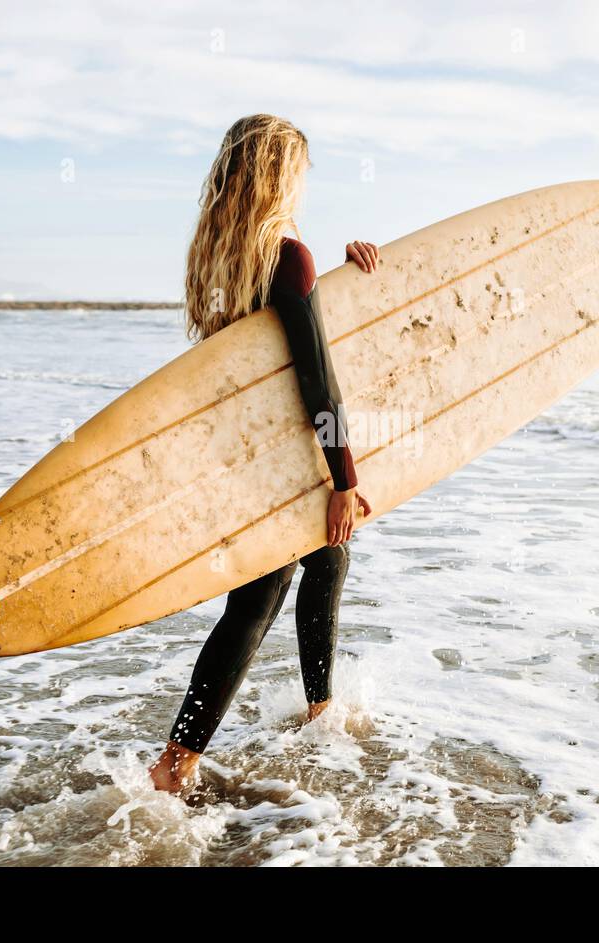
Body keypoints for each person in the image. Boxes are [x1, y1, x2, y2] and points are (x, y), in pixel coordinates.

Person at [149, 114, 378, 793]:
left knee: (327, 561)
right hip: (290, 454)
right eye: (300, 172)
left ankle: (320, 709)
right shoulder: (285, 255)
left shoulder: (221, 256)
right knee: (261, 596)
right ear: (281, 175)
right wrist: (344, 480)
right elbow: (317, 379)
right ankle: (175, 763)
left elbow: (268, 350)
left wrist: (346, 280)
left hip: (243, 450)